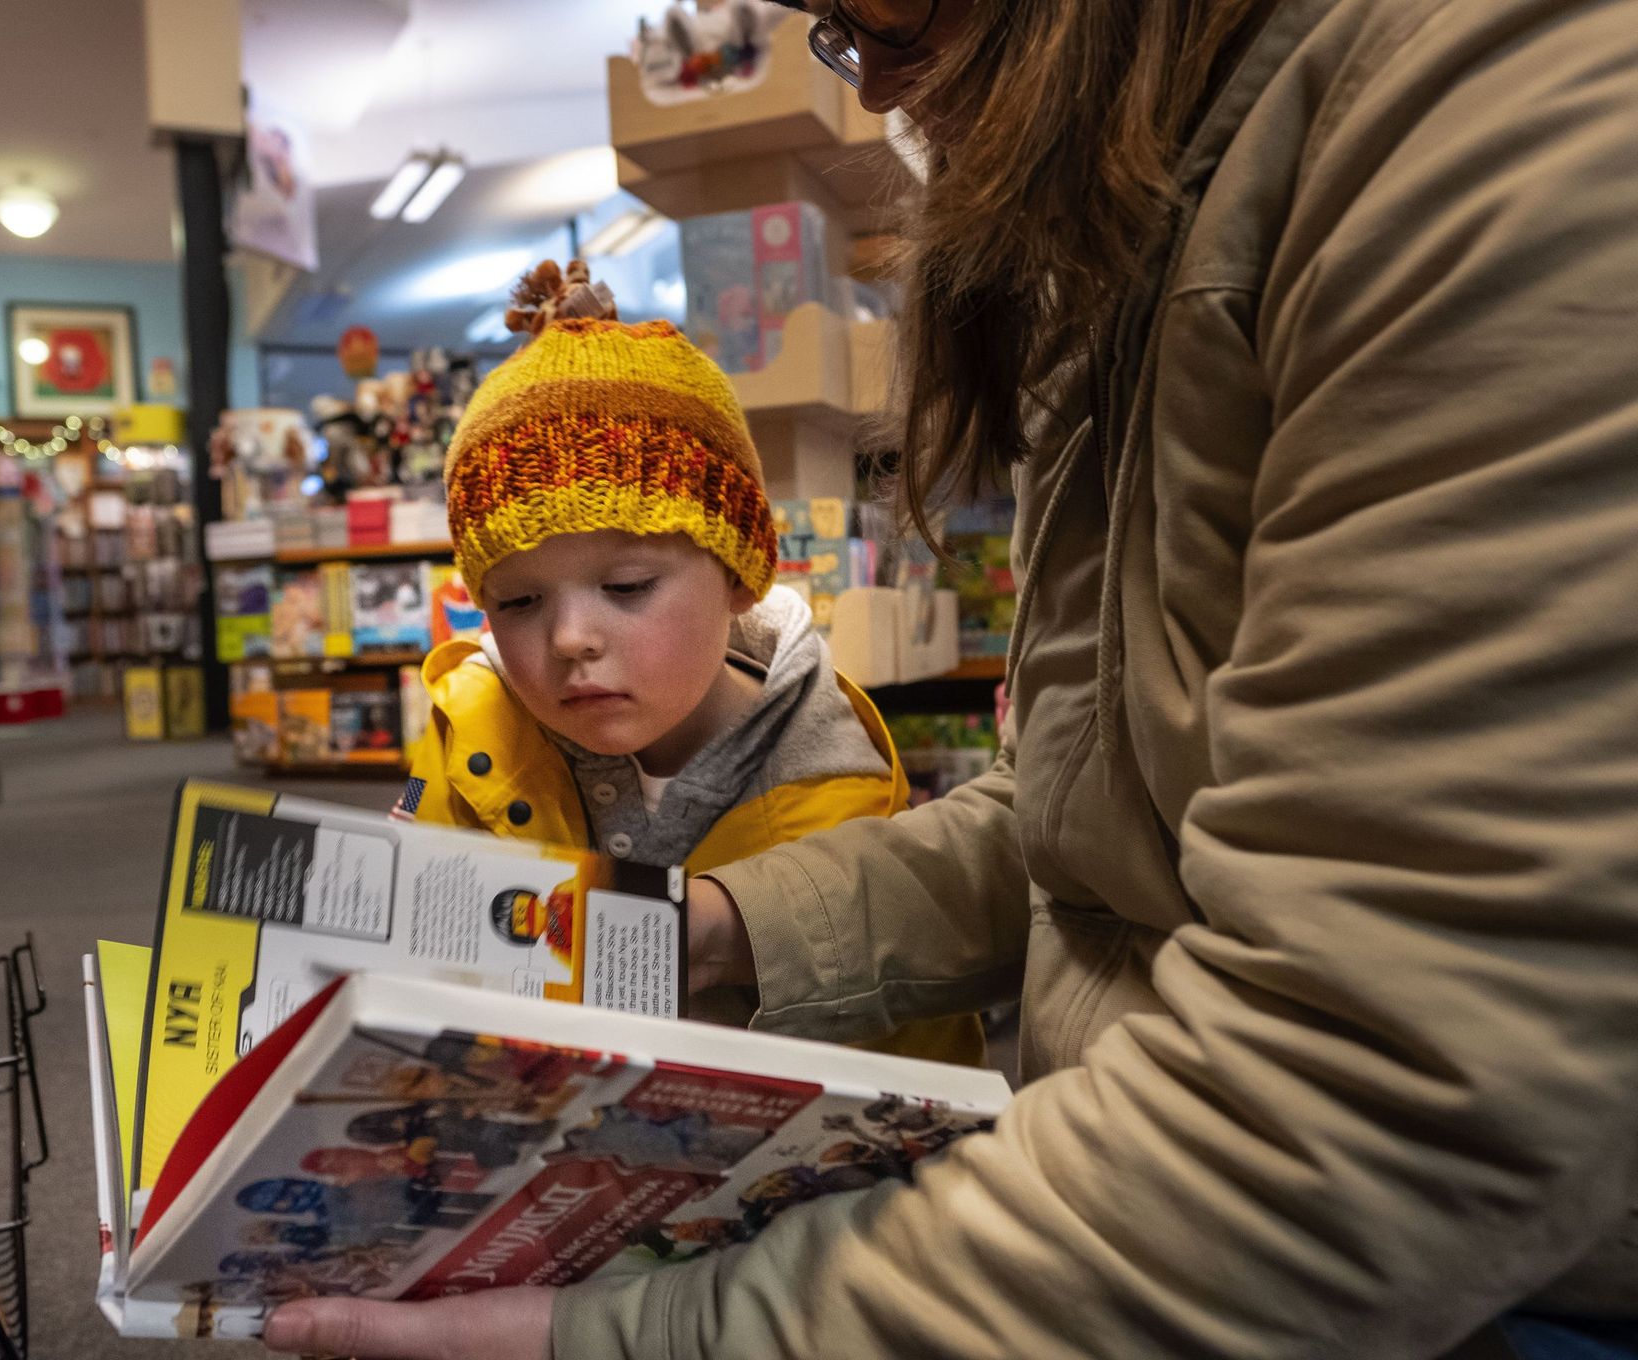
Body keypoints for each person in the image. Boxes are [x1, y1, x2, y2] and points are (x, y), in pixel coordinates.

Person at [265, 0, 1638, 1355]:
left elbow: (1391, 1093)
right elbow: (1083, 821)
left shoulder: (1482, 123)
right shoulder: (1152, 210)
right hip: (1143, 1196)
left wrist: (639, 1335)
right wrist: (718, 925)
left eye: (884, 20)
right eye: (836, 33)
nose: (875, 95)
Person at [403, 259, 984, 1064]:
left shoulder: (831, 779)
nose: (570, 637)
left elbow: (915, 1050)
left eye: (628, 585)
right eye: (519, 603)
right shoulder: (469, 729)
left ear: (739, 574)